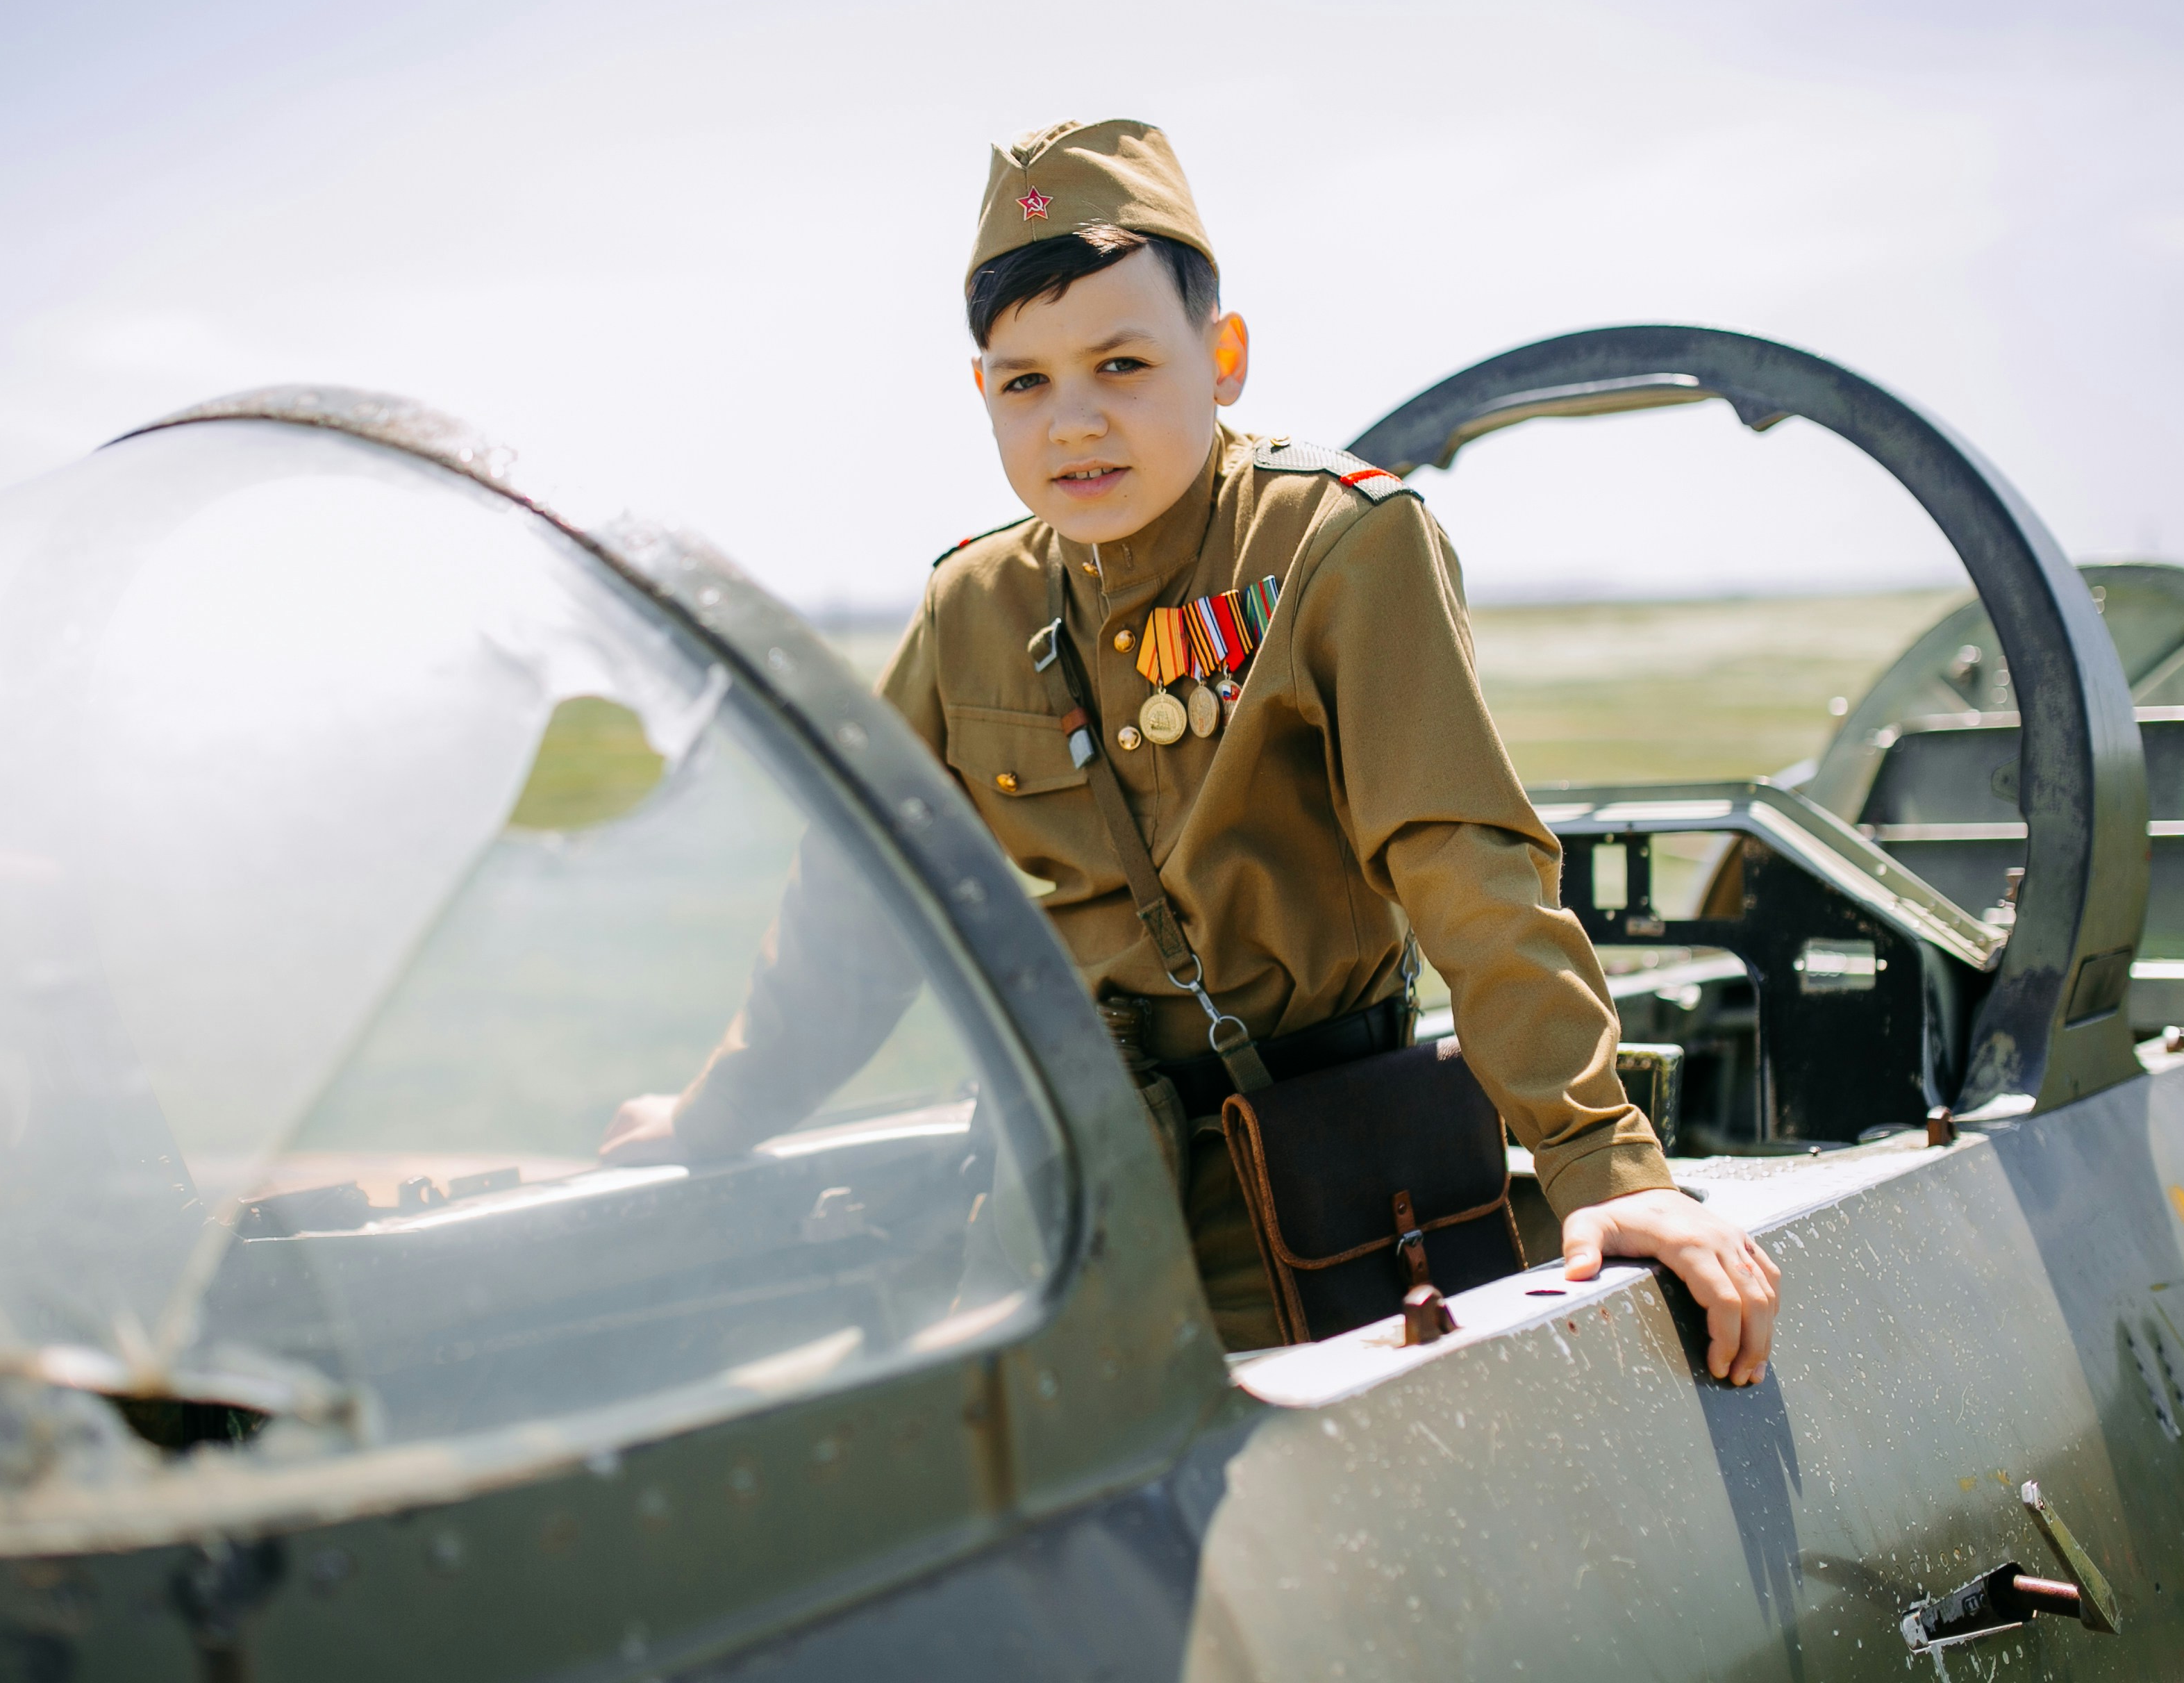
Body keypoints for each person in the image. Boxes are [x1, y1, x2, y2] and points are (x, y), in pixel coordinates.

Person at [604, 119, 1780, 1383]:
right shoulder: (973, 609)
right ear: (982, 391)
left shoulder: (1337, 546)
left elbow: (1466, 865)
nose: (1073, 424)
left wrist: (1602, 1164)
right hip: (1067, 1199)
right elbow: (861, 913)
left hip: (1320, 1197)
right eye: (1026, 382)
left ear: (1222, 359)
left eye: (1122, 363)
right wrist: (708, 1121)